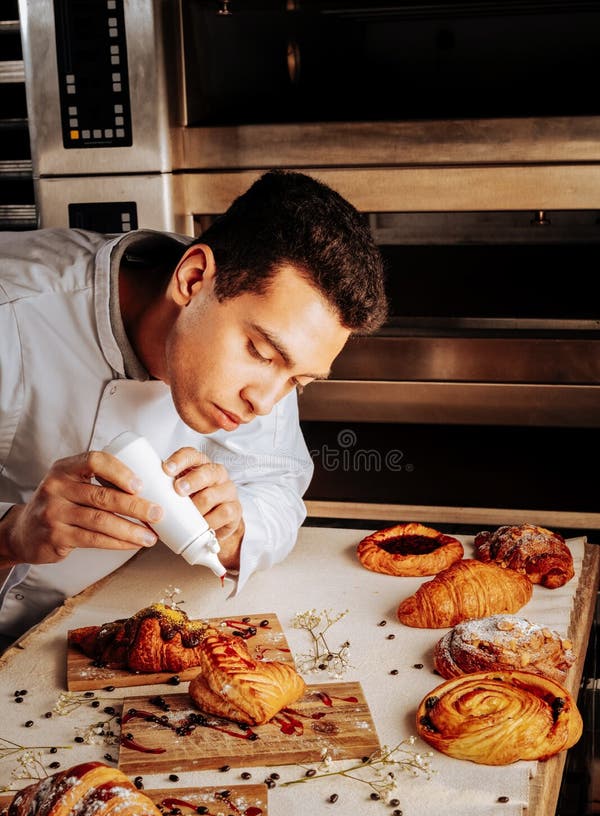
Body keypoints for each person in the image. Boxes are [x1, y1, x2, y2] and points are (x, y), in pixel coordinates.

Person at [0, 169, 387, 649]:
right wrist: (11, 536)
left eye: (298, 382)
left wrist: (236, 526)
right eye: (262, 355)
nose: (265, 403)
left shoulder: (269, 336)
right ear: (192, 278)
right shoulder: (11, 313)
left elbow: (277, 485)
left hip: (100, 636)